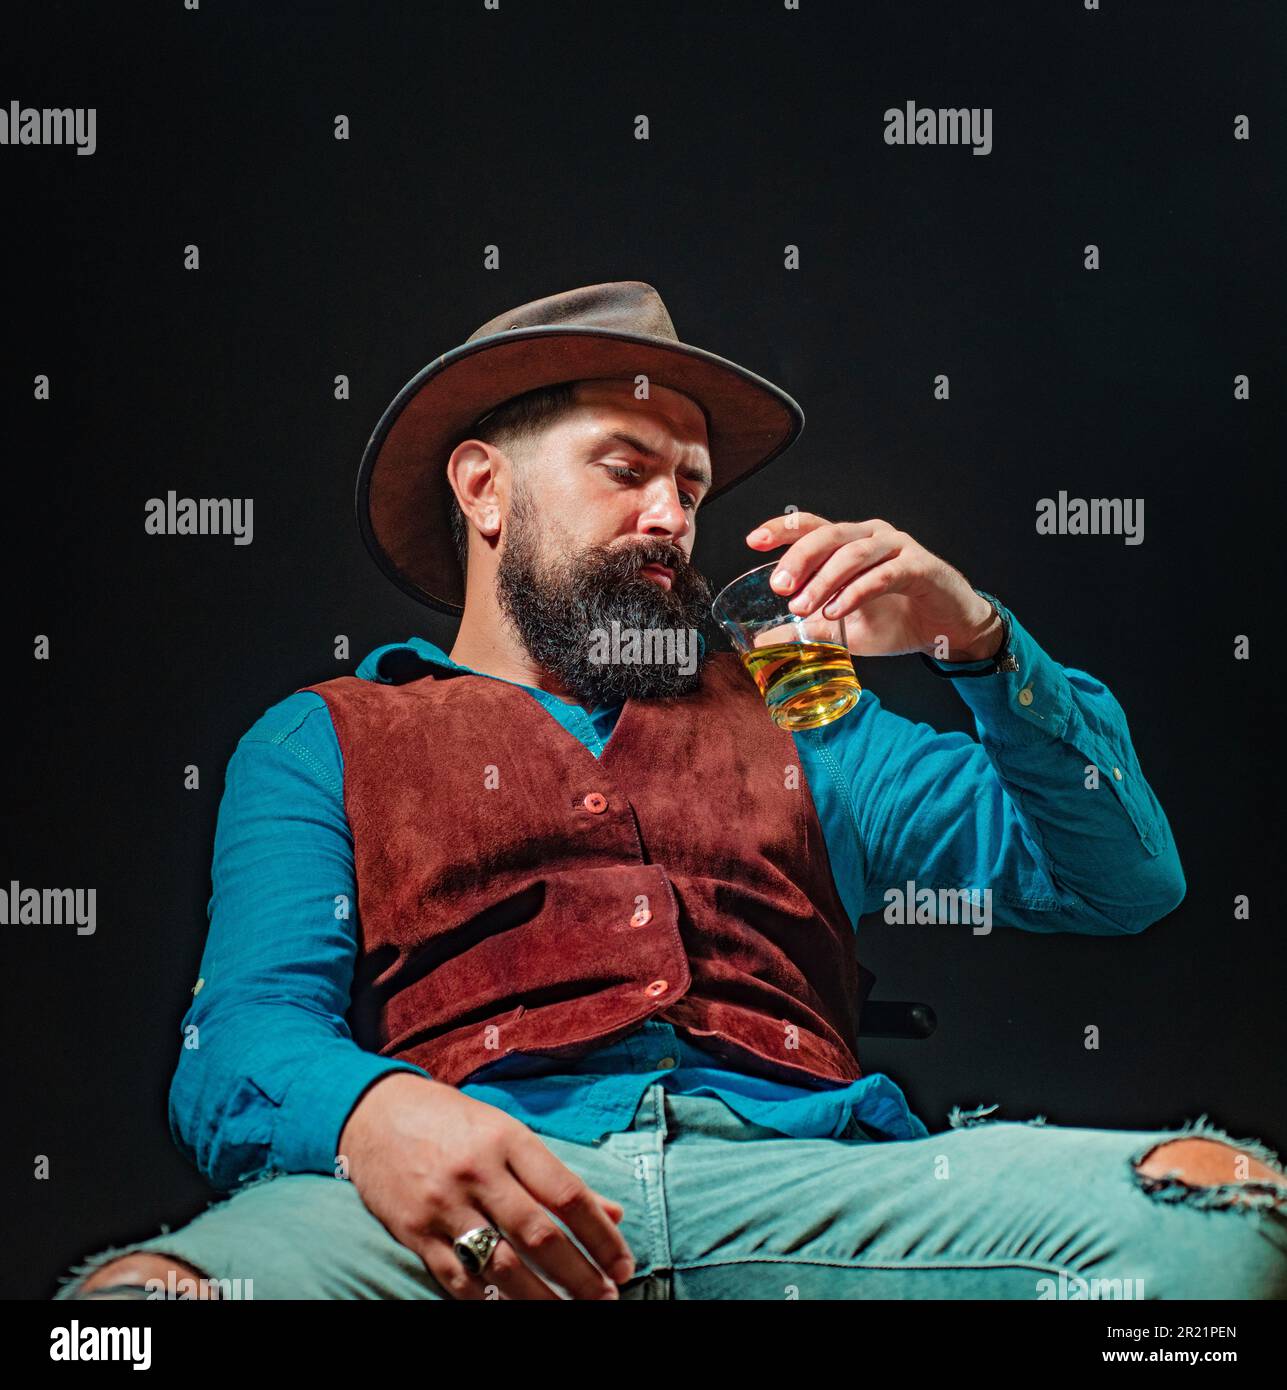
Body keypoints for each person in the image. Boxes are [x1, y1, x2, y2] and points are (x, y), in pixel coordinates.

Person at [56, 282, 1287, 1301]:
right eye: (627, 468)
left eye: (692, 488)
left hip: (813, 1198)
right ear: (484, 488)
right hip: (470, 1212)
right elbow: (239, 1043)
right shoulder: (320, 738)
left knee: (1217, 1227)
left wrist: (977, 639)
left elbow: (1119, 879)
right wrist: (376, 1116)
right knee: (119, 1328)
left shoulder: (811, 724)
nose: (671, 519)